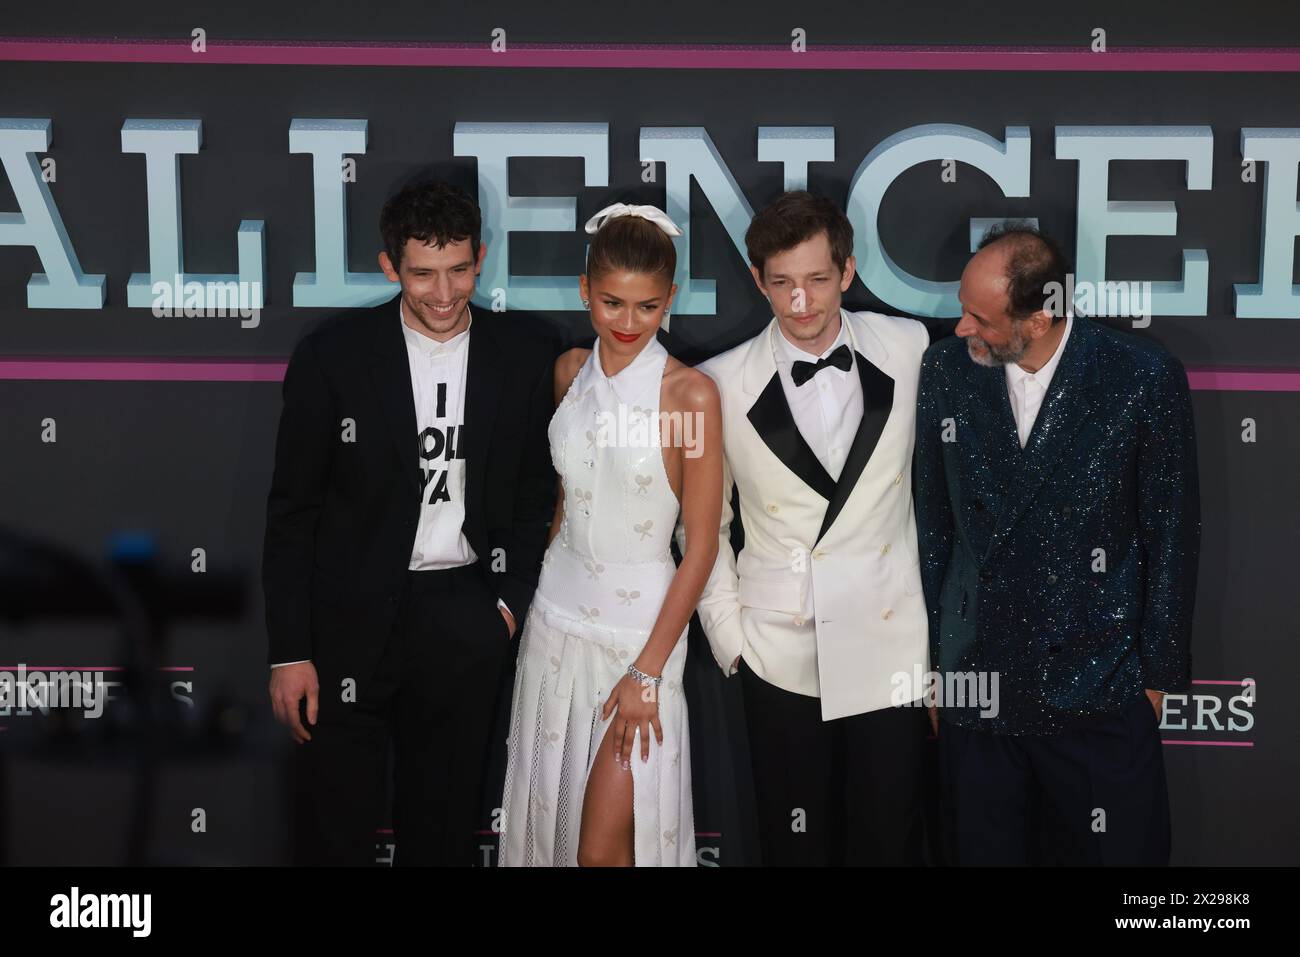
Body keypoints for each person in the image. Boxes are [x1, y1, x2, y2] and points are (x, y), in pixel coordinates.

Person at [263, 179, 556, 865]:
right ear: (389, 266)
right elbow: (292, 512)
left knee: (445, 834)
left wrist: (505, 610)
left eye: (459, 269)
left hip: (465, 617)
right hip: (346, 625)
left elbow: (536, 495)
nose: (446, 292)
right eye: (424, 274)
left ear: (480, 256)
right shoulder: (332, 356)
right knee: (333, 834)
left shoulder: (525, 352)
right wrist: (290, 649)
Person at [913, 223, 1200, 865]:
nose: (961, 330)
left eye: (980, 319)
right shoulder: (945, 371)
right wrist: (936, 661)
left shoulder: (1139, 378)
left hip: (1097, 684)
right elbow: (933, 525)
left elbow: (1171, 533)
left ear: (1040, 317)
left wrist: (1156, 676)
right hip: (977, 682)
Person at [693, 190, 931, 865]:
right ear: (758, 279)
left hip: (891, 651)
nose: (801, 303)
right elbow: (705, 524)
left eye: (818, 280)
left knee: (887, 844)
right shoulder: (720, 383)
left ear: (848, 272)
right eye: (782, 283)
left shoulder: (908, 346)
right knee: (793, 848)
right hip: (780, 652)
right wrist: (731, 637)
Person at [498, 202, 722, 867]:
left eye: (647, 307)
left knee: (603, 851)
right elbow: (566, 502)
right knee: (552, 837)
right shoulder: (570, 372)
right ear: (584, 290)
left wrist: (647, 670)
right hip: (553, 628)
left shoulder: (690, 396)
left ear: (670, 300)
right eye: (611, 302)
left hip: (639, 640)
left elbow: (702, 545)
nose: (627, 323)